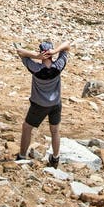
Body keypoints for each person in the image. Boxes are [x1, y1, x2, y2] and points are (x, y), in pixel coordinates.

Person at [13, 39, 70, 167]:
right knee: (55, 130)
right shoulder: (59, 66)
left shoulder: (35, 68)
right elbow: (67, 45)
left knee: (27, 128)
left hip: (39, 105)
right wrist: (56, 51)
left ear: (41, 52)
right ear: (51, 53)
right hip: (55, 104)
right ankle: (55, 158)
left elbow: (20, 51)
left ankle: (22, 155)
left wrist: (35, 56)